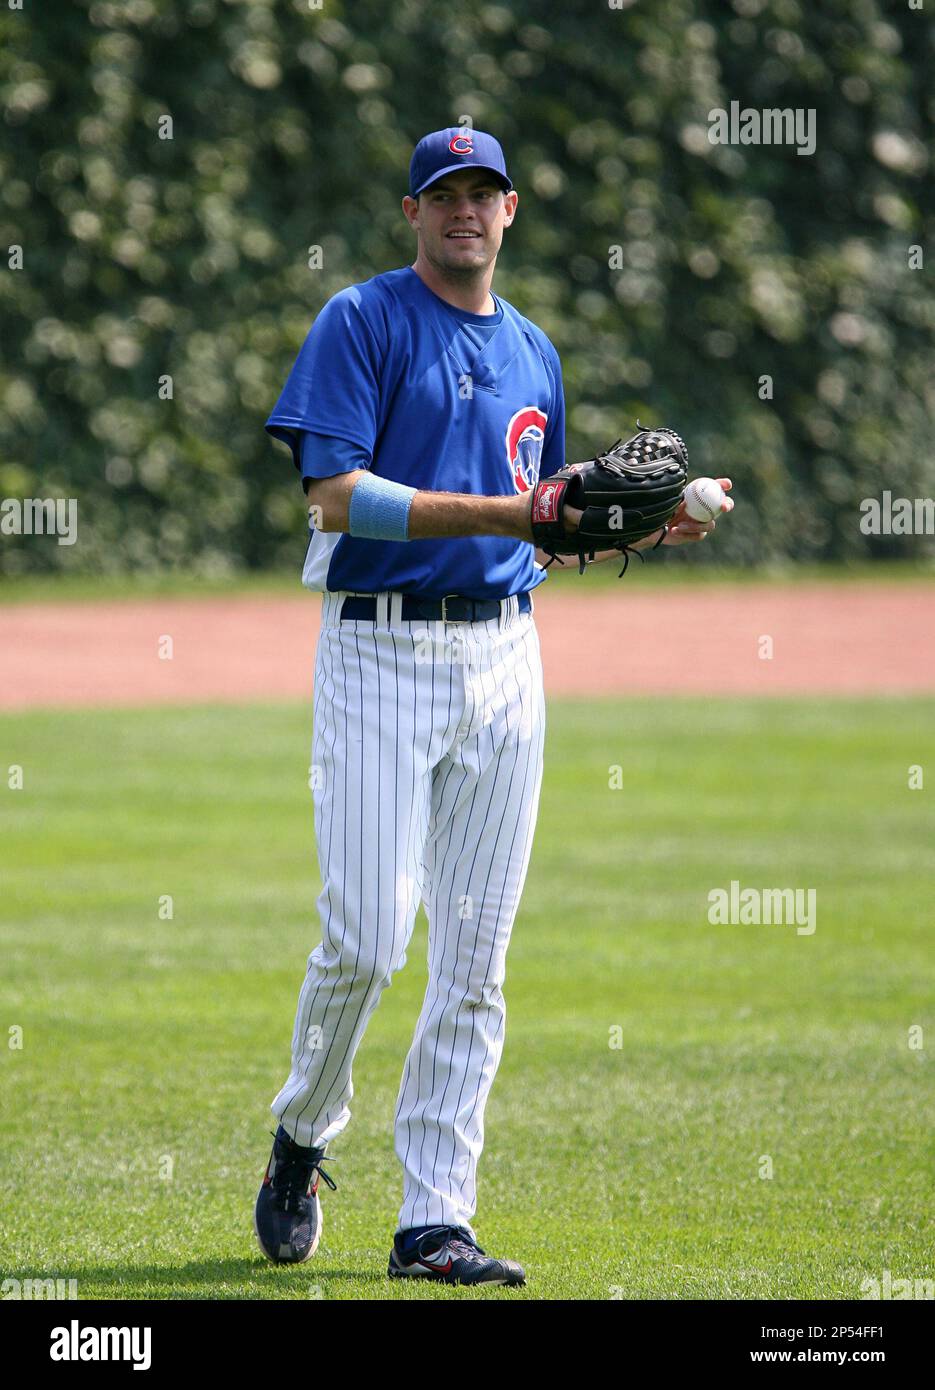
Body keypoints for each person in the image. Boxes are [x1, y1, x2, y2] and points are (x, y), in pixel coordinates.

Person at [255, 127, 731, 1286]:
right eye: (442, 194)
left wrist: (625, 527)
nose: (462, 210)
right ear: (410, 212)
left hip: (504, 665)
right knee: (364, 942)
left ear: (509, 210)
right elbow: (331, 500)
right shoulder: (361, 322)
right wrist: (514, 517)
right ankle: (301, 1137)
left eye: (481, 192)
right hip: (375, 655)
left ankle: (433, 1220)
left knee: (473, 958)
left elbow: (544, 528)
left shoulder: (533, 351)